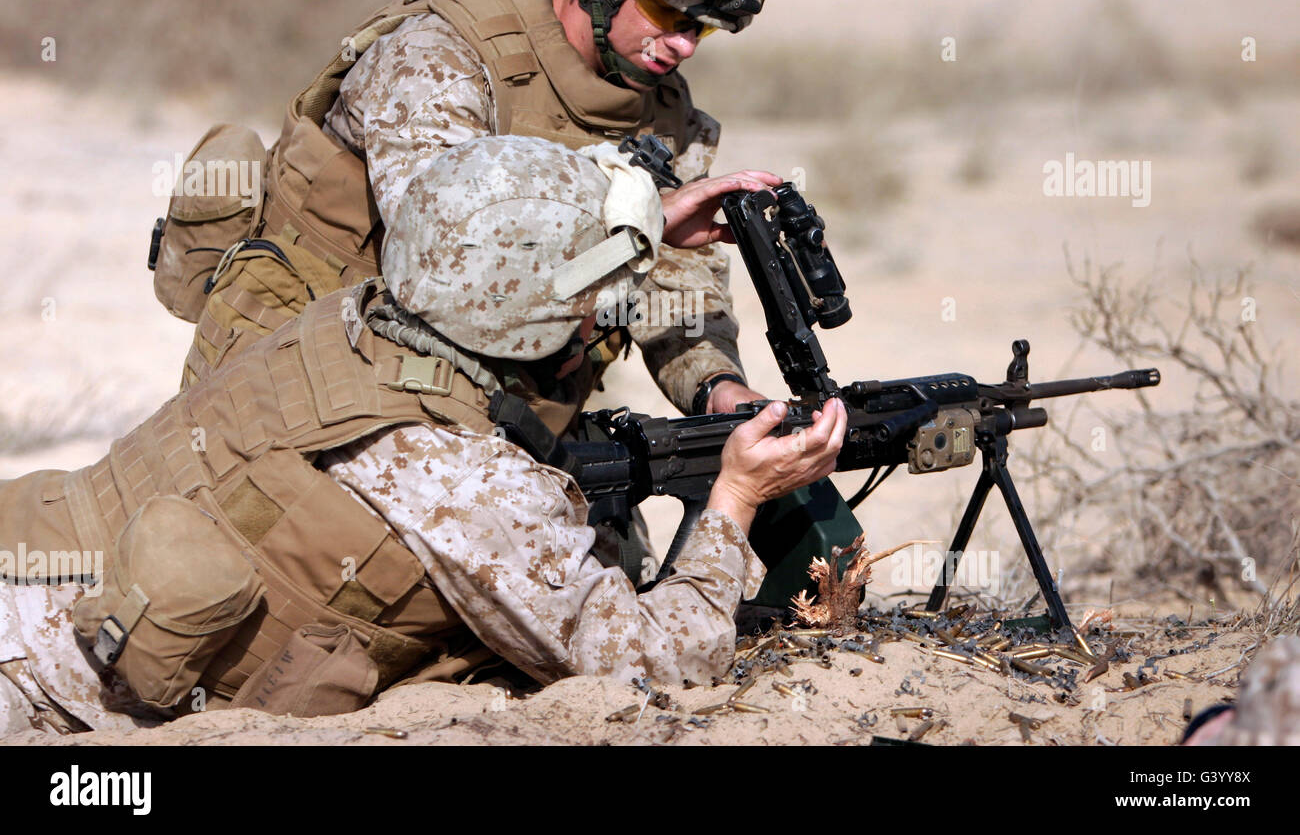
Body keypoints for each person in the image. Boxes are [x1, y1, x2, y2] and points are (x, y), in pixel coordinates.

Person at [1, 136, 847, 736]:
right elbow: (654, 667)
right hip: (41, 694)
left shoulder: (356, 315)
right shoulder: (460, 477)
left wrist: (646, 222)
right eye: (602, 290)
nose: (611, 308)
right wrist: (735, 500)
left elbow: (491, 250)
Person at [170, 0, 829, 429]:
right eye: (669, 14)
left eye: (705, 27)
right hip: (299, 387)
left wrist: (721, 394)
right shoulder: (441, 57)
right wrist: (641, 223)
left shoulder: (662, 113)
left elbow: (673, 291)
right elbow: (446, 269)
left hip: (497, 405)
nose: (683, 46)